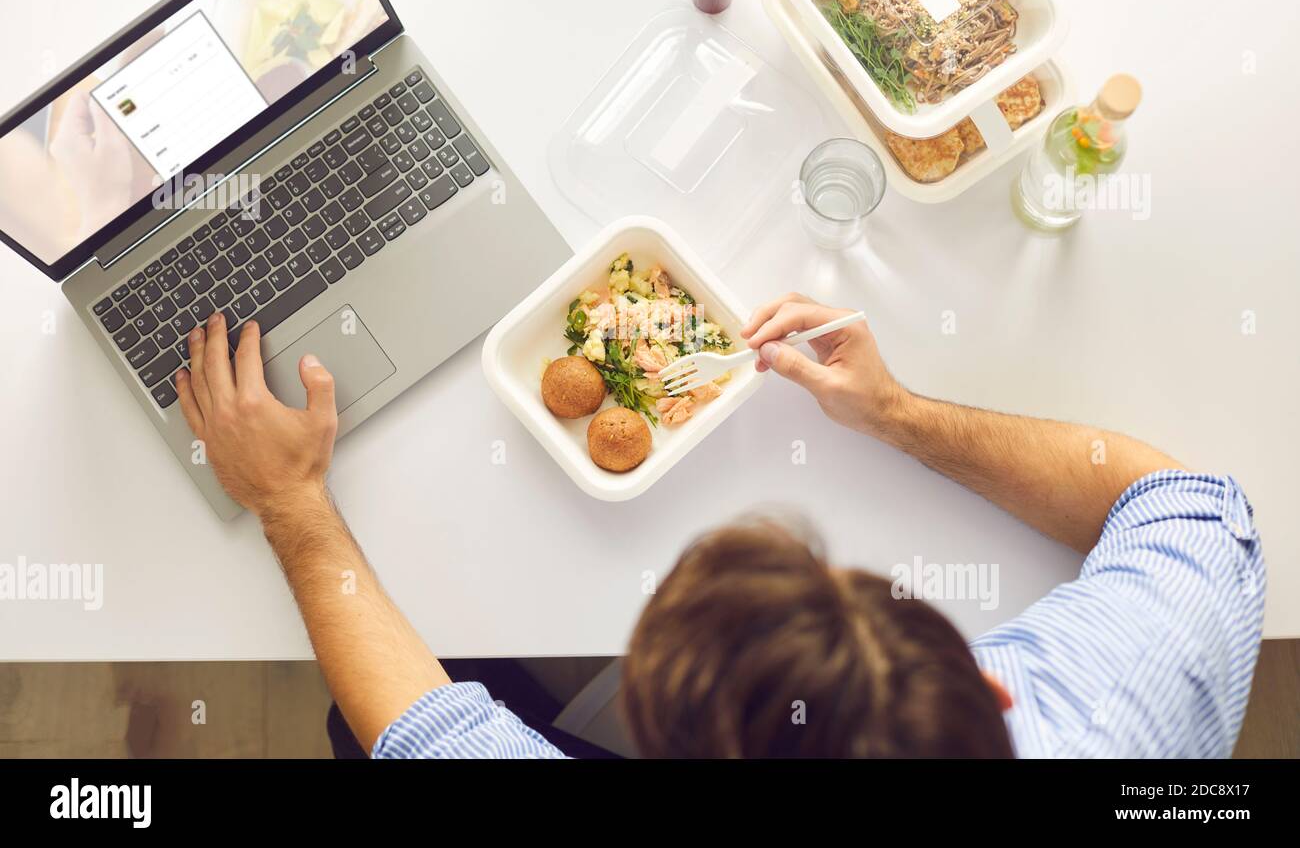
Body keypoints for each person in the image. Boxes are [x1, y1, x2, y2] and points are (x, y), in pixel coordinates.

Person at [173, 294, 1265, 758]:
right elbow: (1168, 495)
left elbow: (415, 725)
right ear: (988, 690)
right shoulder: (1132, 699)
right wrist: (895, 412)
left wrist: (288, 501)